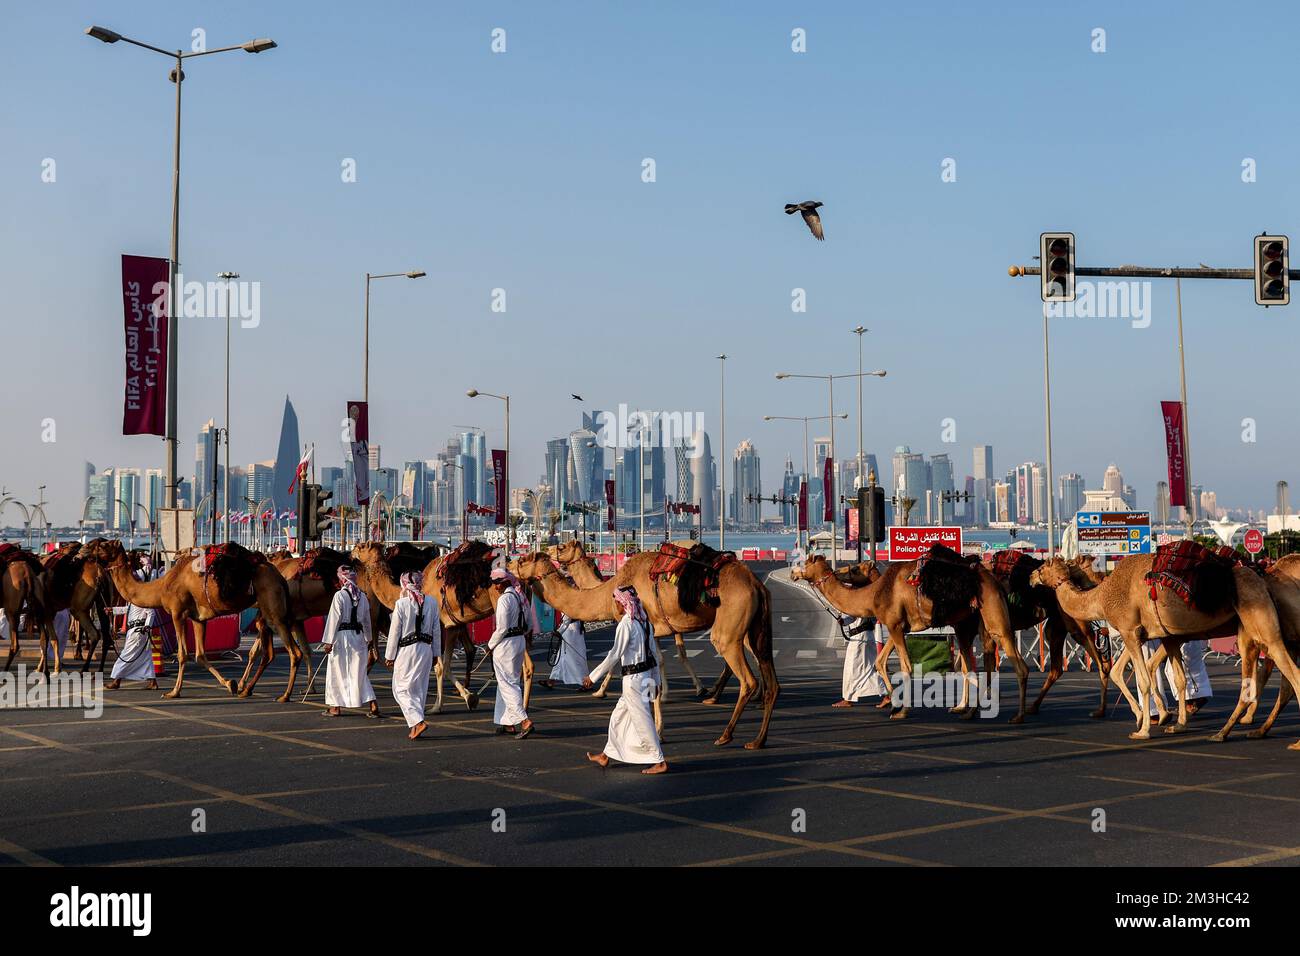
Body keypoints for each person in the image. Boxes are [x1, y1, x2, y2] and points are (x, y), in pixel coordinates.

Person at [583, 585, 667, 774]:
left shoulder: (627, 624)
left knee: (643, 720)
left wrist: (593, 677)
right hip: (645, 677)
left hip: (633, 681)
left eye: (617, 601)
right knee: (618, 717)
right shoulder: (645, 623)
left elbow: (614, 655)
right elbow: (653, 654)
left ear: (624, 603)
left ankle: (659, 760)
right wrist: (656, 683)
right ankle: (606, 755)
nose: (616, 604)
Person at [383, 571, 439, 740]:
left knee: (400, 689)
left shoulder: (402, 604)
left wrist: (389, 655)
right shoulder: (432, 602)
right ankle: (415, 725)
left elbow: (394, 632)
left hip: (407, 650)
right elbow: (436, 630)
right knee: (419, 688)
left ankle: (418, 721)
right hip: (426, 650)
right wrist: (436, 653)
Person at [321, 566, 380, 719]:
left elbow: (334, 619)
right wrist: (369, 639)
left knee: (336, 672)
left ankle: (335, 708)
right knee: (359, 673)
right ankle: (373, 705)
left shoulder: (339, 596)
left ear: (342, 579)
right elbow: (367, 621)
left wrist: (328, 642)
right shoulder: (362, 597)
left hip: (342, 637)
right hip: (359, 637)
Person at [488, 568, 535, 738]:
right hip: (518, 642)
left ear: (505, 582)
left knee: (507, 684)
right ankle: (507, 722)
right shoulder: (520, 597)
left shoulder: (504, 600)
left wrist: (490, 645)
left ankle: (524, 721)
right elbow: (529, 624)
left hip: (505, 644)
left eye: (497, 584)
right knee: (509, 682)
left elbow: (501, 628)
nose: (495, 588)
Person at [833, 614, 887, 708]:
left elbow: (852, 615)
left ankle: (847, 699)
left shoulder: (857, 601)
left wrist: (843, 621)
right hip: (868, 636)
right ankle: (887, 695)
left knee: (851, 669)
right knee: (869, 670)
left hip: (859, 638)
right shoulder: (869, 601)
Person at [107, 602, 159, 691]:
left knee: (126, 656)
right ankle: (153, 682)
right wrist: (114, 610)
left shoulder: (142, 598)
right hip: (135, 631)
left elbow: (151, 612)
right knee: (146, 657)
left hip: (138, 631)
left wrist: (147, 626)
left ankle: (117, 681)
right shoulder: (135, 599)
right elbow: (128, 609)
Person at [544, 612, 588, 687]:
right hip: (574, 628)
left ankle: (584, 682)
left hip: (570, 629)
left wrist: (559, 631)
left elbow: (567, 618)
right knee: (561, 656)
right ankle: (551, 680)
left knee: (573, 658)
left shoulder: (567, 601)